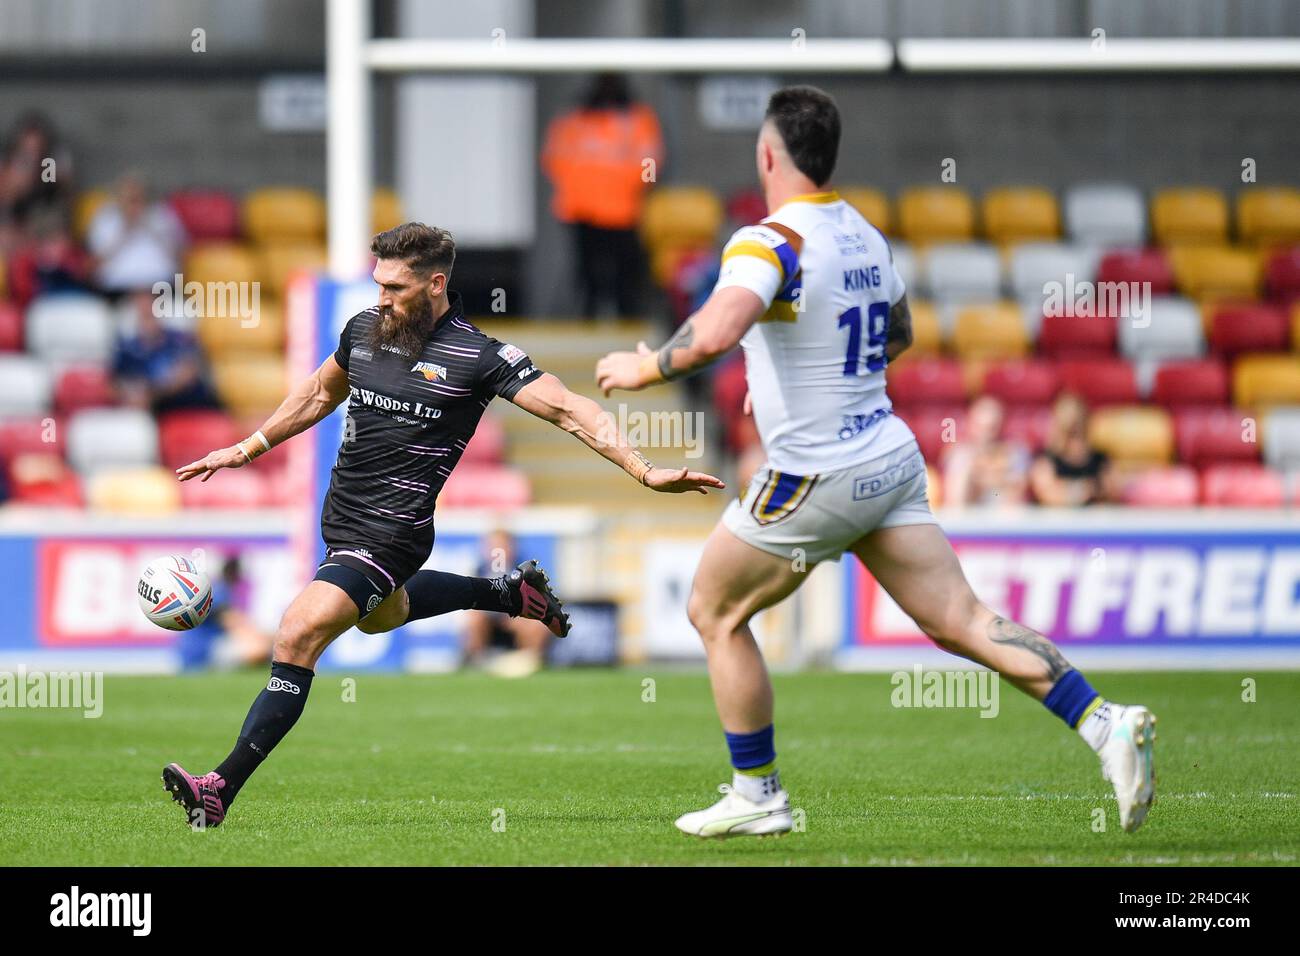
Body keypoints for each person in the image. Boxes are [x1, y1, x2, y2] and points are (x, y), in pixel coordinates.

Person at [596, 86, 1156, 838]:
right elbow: (897, 335)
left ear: (768, 153)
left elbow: (715, 329)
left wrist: (648, 368)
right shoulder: (862, 233)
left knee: (714, 610)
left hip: (814, 472)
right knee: (964, 619)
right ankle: (1103, 721)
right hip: (886, 458)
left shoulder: (769, 241)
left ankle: (758, 793)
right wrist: (792, 370)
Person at [162, 222, 722, 828]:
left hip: (393, 535)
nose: (381, 297)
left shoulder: (478, 357)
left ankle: (219, 786)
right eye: (377, 283)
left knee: (296, 634)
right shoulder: (363, 331)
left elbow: (569, 409)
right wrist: (244, 449)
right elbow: (318, 395)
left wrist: (641, 468)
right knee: (384, 617)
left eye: (395, 287)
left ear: (435, 284)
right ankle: (508, 592)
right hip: (343, 526)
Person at [541, 73, 663, 318]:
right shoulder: (575, 120)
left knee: (625, 274)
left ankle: (627, 320)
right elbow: (554, 159)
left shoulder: (637, 120)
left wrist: (628, 187)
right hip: (582, 210)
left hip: (623, 210)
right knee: (587, 274)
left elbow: (650, 161)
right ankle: (589, 320)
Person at [462, 529, 553, 676]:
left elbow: (539, 603)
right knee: (474, 619)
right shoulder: (479, 570)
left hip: (517, 617)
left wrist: (515, 615)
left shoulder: (525, 573)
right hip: (490, 618)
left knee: (537, 626)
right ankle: (477, 663)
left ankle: (529, 662)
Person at [113, 290, 219, 415]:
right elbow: (115, 382)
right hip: (149, 412)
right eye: (144, 315)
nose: (149, 321)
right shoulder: (128, 349)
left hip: (189, 407)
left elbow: (187, 373)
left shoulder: (180, 340)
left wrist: (152, 392)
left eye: (152, 315)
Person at [85, 172, 186, 297]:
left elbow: (180, 258)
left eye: (137, 198)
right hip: (117, 291)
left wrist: (148, 225)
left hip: (160, 289)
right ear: (118, 197)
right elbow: (92, 265)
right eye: (129, 198)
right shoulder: (105, 219)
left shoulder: (162, 216)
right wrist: (125, 230)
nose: (133, 204)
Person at [177, 556, 273, 671]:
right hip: (203, 652)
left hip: (195, 650)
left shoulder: (215, 588)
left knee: (260, 644)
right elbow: (233, 622)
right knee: (258, 649)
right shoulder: (218, 591)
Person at [942, 395, 1029, 507]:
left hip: (1005, 519)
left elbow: (1016, 495)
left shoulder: (1016, 451)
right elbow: (954, 501)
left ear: (1002, 426)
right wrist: (994, 476)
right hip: (967, 518)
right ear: (970, 425)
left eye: (992, 428)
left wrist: (981, 476)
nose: (986, 436)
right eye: (980, 427)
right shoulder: (959, 453)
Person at [1029, 393, 1113, 506]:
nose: (1075, 441)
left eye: (1078, 431)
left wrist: (1067, 489)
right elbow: (1049, 495)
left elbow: (1112, 492)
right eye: (1070, 432)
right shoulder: (1045, 460)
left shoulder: (1100, 460)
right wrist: (1084, 490)